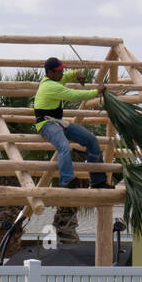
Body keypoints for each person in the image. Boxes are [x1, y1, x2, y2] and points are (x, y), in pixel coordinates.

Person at [34, 57, 112, 189]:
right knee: (63, 145)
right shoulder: (50, 86)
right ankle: (66, 180)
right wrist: (96, 92)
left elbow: (66, 77)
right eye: (59, 71)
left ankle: (98, 181)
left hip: (58, 123)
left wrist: (76, 73)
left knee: (91, 140)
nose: (61, 74)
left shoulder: (54, 79)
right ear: (50, 73)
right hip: (46, 124)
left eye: (62, 71)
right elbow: (74, 95)